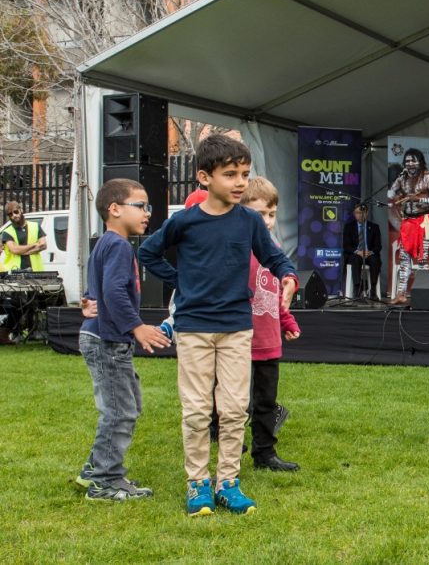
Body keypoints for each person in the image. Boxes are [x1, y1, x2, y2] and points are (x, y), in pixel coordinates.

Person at [139, 135, 298, 517]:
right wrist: (182, 281)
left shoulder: (248, 221)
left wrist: (289, 276)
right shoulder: (184, 221)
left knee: (233, 410)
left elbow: (275, 258)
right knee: (196, 410)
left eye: (244, 173)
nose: (241, 182)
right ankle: (198, 484)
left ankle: (228, 483)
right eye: (231, 174)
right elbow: (147, 252)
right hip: (193, 328)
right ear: (204, 177)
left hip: (236, 328)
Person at [75, 178, 171, 501]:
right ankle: (105, 481)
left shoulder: (106, 244)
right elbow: (113, 291)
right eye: (140, 206)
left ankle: (94, 468)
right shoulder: (116, 245)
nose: (147, 214)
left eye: (149, 207)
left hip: (106, 338)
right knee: (119, 411)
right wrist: (137, 327)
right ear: (114, 209)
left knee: (128, 404)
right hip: (108, 341)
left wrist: (90, 302)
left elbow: (98, 292)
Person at [239, 176, 302, 471]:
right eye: (259, 213)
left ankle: (264, 454)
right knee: (238, 404)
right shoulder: (238, 249)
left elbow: (277, 293)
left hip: (268, 341)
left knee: (267, 401)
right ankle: (230, 445)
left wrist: (287, 320)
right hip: (238, 341)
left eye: (272, 214)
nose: (266, 221)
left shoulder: (273, 249)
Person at [387, 148, 429, 306]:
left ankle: (422, 295)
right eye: (407, 161)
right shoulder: (402, 178)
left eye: (413, 161)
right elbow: (390, 195)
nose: (410, 164)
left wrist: (420, 200)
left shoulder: (428, 177)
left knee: (422, 259)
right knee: (404, 258)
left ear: (420, 161)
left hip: (424, 221)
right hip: (408, 223)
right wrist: (396, 192)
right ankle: (401, 294)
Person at [342, 202, 382, 299]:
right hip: (356, 254)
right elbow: (346, 246)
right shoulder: (348, 227)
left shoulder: (374, 227)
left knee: (375, 260)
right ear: (354, 214)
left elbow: (378, 246)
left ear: (366, 213)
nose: (359, 215)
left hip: (369, 254)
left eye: (362, 212)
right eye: (357, 213)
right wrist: (358, 252)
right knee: (355, 259)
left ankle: (373, 289)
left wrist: (370, 252)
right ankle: (357, 289)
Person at [1, 201, 47, 272]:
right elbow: (15, 250)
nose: (14, 215)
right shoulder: (7, 232)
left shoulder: (35, 226)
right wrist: (34, 244)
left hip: (36, 271)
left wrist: (24, 252)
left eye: (16, 212)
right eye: (10, 214)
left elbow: (43, 245)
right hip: (15, 272)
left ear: (21, 210)